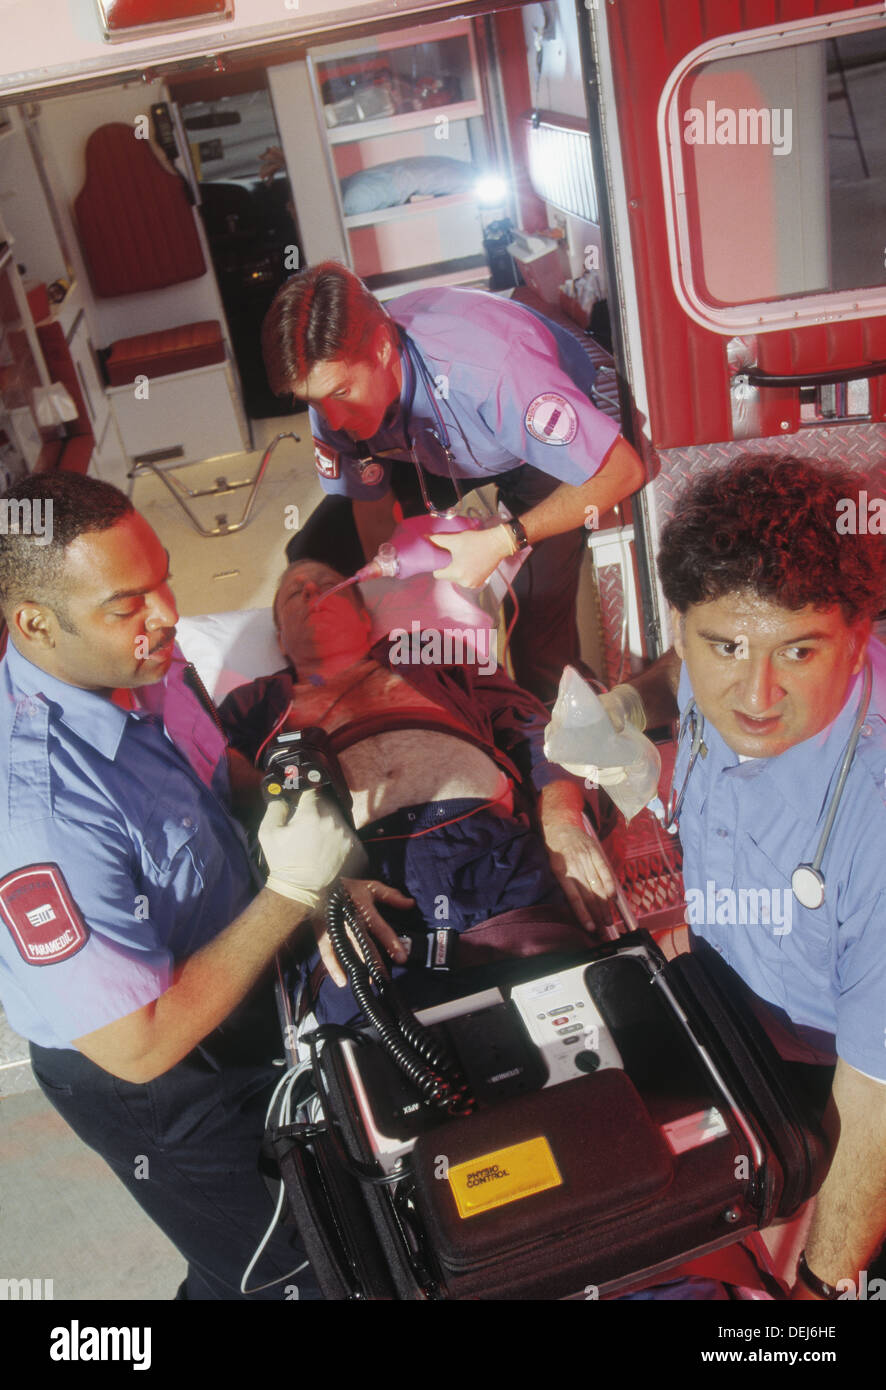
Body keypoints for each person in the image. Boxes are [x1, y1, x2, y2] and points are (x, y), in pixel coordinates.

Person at [0, 473, 365, 1301]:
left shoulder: (143, 664)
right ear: (34, 624)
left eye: (162, 575)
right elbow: (141, 1043)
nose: (166, 611)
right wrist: (295, 895)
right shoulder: (37, 818)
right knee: (286, 1272)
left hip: (236, 983)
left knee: (335, 1219)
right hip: (157, 1082)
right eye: (127, 602)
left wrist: (325, 889)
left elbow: (219, 781)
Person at [606, 455, 886, 1302]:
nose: (755, 694)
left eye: (799, 650)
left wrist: (815, 1294)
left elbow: (876, 1111)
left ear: (860, 629)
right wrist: (624, 708)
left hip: (847, 1079)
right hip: (748, 1031)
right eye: (723, 645)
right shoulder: (715, 664)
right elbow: (679, 678)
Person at [218, 557, 618, 1022]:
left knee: (576, 1001)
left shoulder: (426, 654)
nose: (313, 594)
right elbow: (227, 804)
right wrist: (313, 891)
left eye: (329, 584)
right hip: (354, 879)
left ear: (365, 618)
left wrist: (563, 821)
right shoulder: (253, 705)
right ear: (280, 638)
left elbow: (533, 729)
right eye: (295, 593)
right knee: (373, 1045)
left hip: (494, 855)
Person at [260, 261, 646, 704]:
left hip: (527, 442)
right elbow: (370, 499)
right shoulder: (331, 387)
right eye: (313, 402)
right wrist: (393, 586)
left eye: (341, 394)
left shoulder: (493, 372)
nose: (330, 420)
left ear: (382, 350)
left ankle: (584, 733)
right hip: (435, 440)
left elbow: (623, 471)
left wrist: (504, 540)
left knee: (538, 645)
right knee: (314, 545)